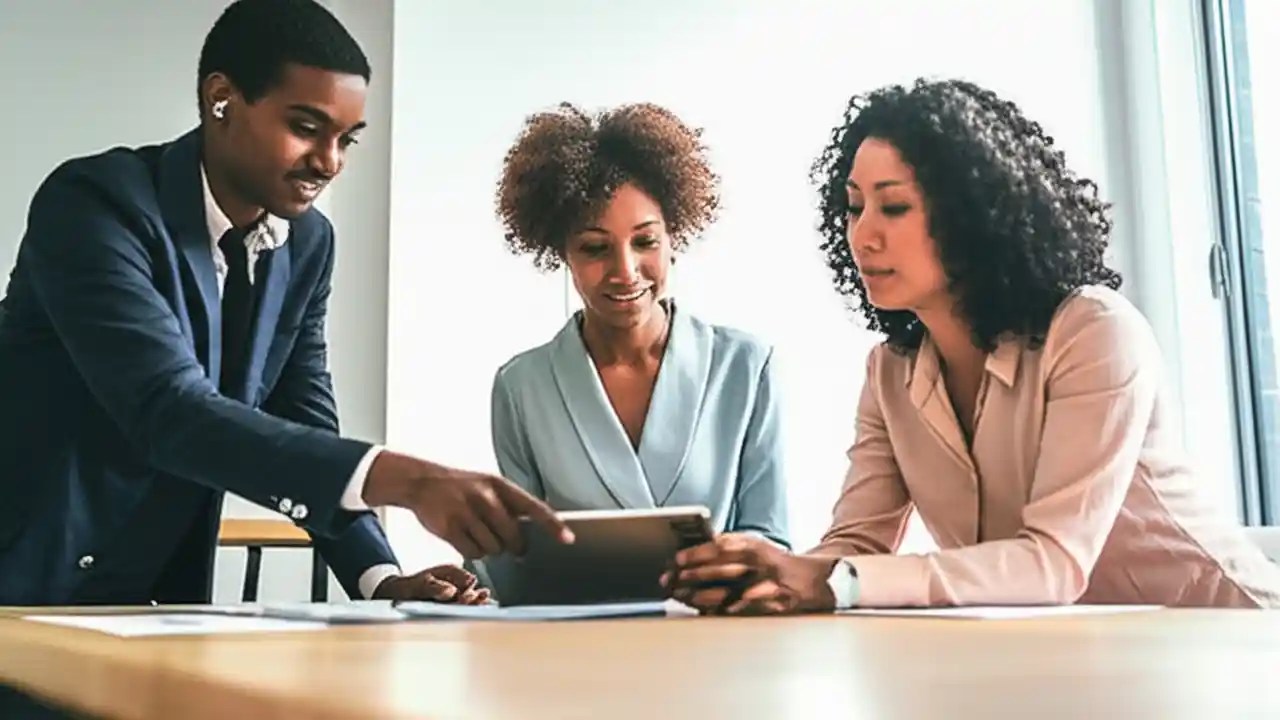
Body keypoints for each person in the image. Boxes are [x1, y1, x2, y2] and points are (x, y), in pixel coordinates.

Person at [0, 0, 569, 608]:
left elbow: (305, 419)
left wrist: (381, 580)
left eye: (346, 139)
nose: (329, 162)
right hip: (23, 583)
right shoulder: (95, 206)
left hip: (152, 606)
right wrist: (408, 480)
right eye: (305, 127)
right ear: (221, 99)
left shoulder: (308, 244)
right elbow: (167, 411)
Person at [664, 78, 1280, 612]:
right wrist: (763, 576)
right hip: (1077, 652)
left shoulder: (1094, 332)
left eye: (894, 207)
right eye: (853, 208)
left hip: (1230, 636)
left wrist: (832, 582)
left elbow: (1053, 564)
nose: (862, 234)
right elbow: (855, 549)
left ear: (974, 217)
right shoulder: (890, 373)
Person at [475, 102, 790, 597]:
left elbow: (770, 536)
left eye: (645, 241)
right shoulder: (521, 386)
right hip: (576, 646)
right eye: (595, 248)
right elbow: (518, 558)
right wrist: (467, 581)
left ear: (673, 240)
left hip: (716, 640)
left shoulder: (745, 367)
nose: (625, 270)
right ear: (563, 254)